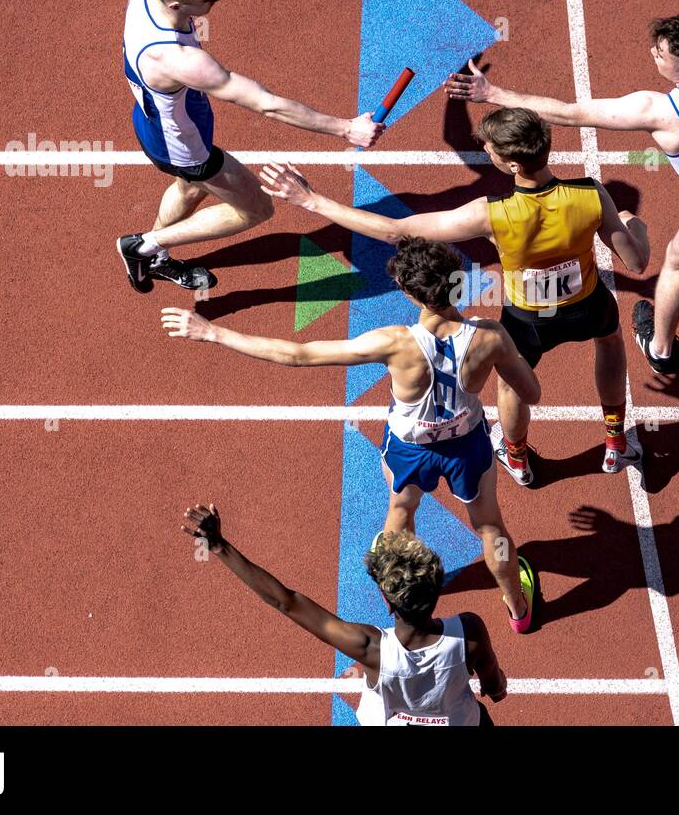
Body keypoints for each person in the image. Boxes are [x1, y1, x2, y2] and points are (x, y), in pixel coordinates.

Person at [162, 237, 543, 632]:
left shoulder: (394, 343)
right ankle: (518, 610)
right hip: (466, 446)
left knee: (401, 511)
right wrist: (504, 361)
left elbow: (298, 355)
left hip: (410, 449)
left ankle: (395, 590)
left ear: (410, 292)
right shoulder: (491, 336)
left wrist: (213, 333)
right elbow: (530, 393)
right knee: (490, 528)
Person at [257, 107, 650, 487]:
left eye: (491, 150)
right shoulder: (591, 194)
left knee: (510, 385)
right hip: (588, 305)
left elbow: (395, 232)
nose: (487, 152)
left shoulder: (491, 213)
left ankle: (516, 458)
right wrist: (636, 226)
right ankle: (616, 442)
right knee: (610, 342)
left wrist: (311, 201)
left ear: (513, 164)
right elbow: (636, 262)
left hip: (528, 319)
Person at [446, 6, 679, 374]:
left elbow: (569, 113)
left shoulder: (659, 112)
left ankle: (660, 349)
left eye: (660, 54)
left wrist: (494, 94)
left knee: (677, 263)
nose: (653, 55)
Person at [117, 0, 383, 294]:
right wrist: (346, 129)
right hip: (182, 143)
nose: (216, 0)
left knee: (189, 187)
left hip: (152, 121)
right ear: (177, 4)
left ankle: (154, 255)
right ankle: (143, 246)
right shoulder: (180, 60)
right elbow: (266, 103)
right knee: (256, 209)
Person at [180, 505, 507, 725]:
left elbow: (286, 602)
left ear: (387, 602)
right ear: (436, 590)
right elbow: (494, 686)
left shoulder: (369, 648)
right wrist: (495, 689)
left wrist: (220, 546)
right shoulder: (470, 631)